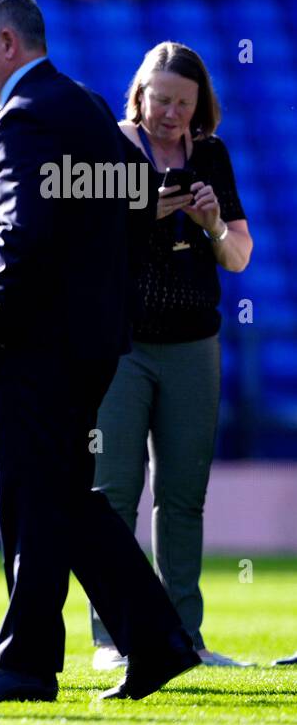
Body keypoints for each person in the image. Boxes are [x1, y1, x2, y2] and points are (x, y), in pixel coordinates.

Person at [0, 0, 199, 702]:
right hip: (80, 344)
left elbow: (24, 238)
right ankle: (155, 639)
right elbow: (141, 196)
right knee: (59, 498)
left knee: (32, 497)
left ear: (7, 44)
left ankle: (26, 666)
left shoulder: (26, 115)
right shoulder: (78, 103)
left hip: (34, 345)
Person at [89, 42, 253, 671]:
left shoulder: (210, 155)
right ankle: (113, 638)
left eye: (183, 103)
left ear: (199, 106)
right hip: (122, 343)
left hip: (193, 343)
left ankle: (185, 637)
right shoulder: (113, 144)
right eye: (161, 99)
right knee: (113, 492)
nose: (170, 113)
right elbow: (87, 235)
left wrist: (211, 223)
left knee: (183, 496)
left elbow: (238, 255)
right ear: (140, 93)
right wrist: (146, 207)